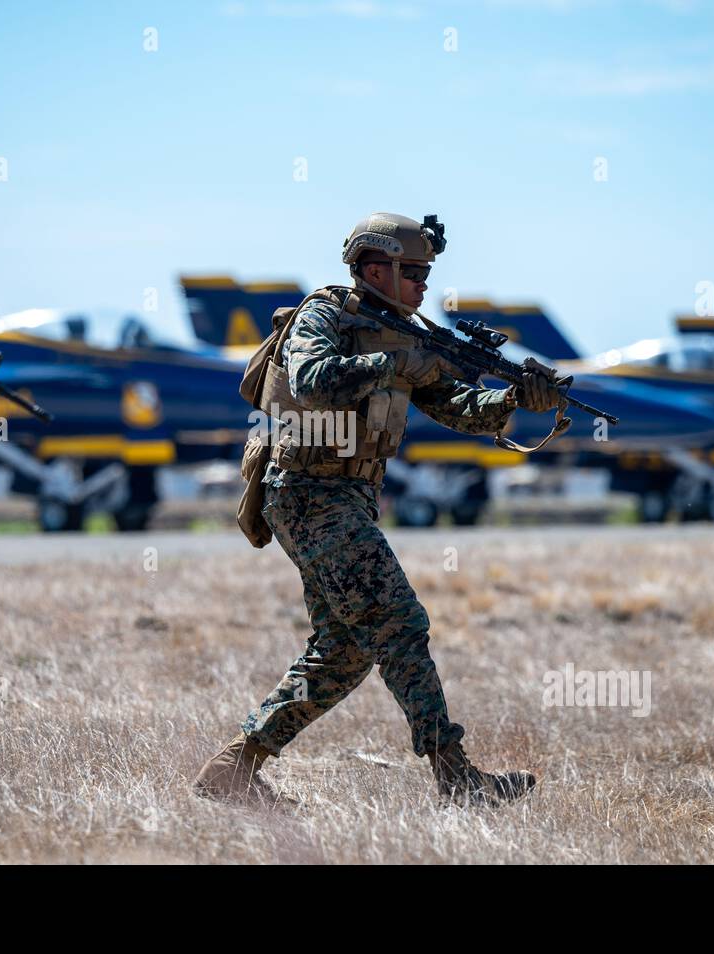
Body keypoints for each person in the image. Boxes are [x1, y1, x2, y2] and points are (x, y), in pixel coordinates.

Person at [195, 212, 561, 806]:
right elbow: (310, 379)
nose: (422, 285)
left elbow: (459, 409)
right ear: (374, 268)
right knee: (400, 625)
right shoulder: (328, 314)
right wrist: (394, 364)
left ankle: (233, 770)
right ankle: (456, 777)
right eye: (412, 272)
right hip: (309, 492)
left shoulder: (404, 331)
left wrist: (518, 397)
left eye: (425, 273)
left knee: (343, 651)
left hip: (348, 497)